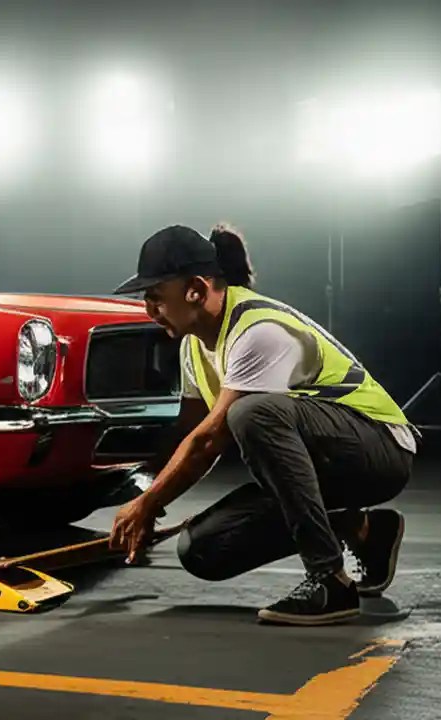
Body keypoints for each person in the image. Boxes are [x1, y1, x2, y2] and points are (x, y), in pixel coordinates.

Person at [107, 223, 416, 626]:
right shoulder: (192, 346)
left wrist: (148, 504)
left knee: (250, 414)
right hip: (323, 457)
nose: (149, 312)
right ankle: (362, 530)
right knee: (203, 549)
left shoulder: (258, 331)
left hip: (379, 447)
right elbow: (190, 437)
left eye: (155, 298)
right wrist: (146, 502)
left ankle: (329, 581)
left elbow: (209, 442)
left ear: (196, 290)